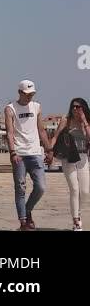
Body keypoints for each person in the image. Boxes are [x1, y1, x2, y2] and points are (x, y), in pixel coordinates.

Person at [5, 80, 53, 231]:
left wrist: (48, 150)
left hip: (34, 152)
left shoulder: (36, 107)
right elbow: (10, 132)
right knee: (20, 188)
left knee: (41, 187)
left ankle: (27, 209)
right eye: (27, 94)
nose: (29, 97)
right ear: (19, 92)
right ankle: (23, 222)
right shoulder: (10, 108)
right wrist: (12, 152)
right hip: (19, 153)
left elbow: (41, 130)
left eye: (32, 94)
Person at [49, 98, 90, 231]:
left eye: (78, 107)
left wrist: (84, 121)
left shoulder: (87, 122)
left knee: (85, 191)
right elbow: (55, 137)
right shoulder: (65, 120)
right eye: (73, 107)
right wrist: (49, 152)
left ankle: (78, 214)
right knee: (74, 189)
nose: (75, 109)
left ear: (83, 108)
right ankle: (76, 221)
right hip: (68, 157)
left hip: (83, 157)